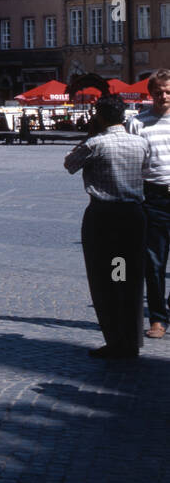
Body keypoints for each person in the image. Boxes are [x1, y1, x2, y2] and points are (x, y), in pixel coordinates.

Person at [65, 94, 148, 359]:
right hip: (133, 216)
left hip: (105, 218)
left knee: (107, 279)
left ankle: (116, 340)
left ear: (99, 116)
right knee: (128, 276)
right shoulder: (140, 143)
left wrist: (90, 133)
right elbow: (145, 171)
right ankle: (132, 338)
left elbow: (70, 164)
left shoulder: (95, 143)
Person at [126, 69, 170, 339]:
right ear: (150, 93)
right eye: (158, 92)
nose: (163, 96)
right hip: (153, 197)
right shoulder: (138, 123)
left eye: (167, 91)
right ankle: (157, 319)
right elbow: (131, 163)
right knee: (154, 263)